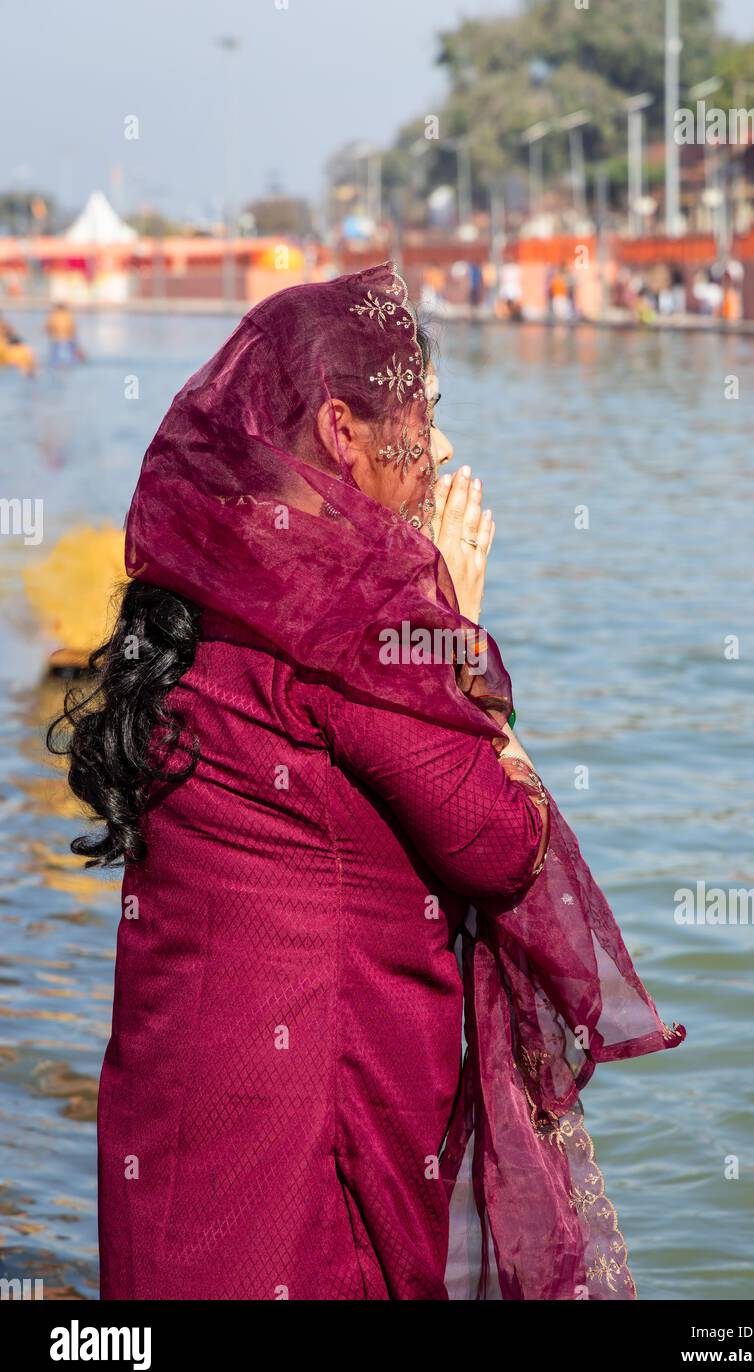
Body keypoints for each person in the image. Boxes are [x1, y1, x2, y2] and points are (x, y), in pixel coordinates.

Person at [50, 263, 684, 1301]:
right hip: (306, 1111)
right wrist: (457, 636)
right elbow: (500, 844)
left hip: (185, 1090)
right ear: (343, 432)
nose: (438, 448)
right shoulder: (362, 625)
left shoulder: (220, 573)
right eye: (423, 415)